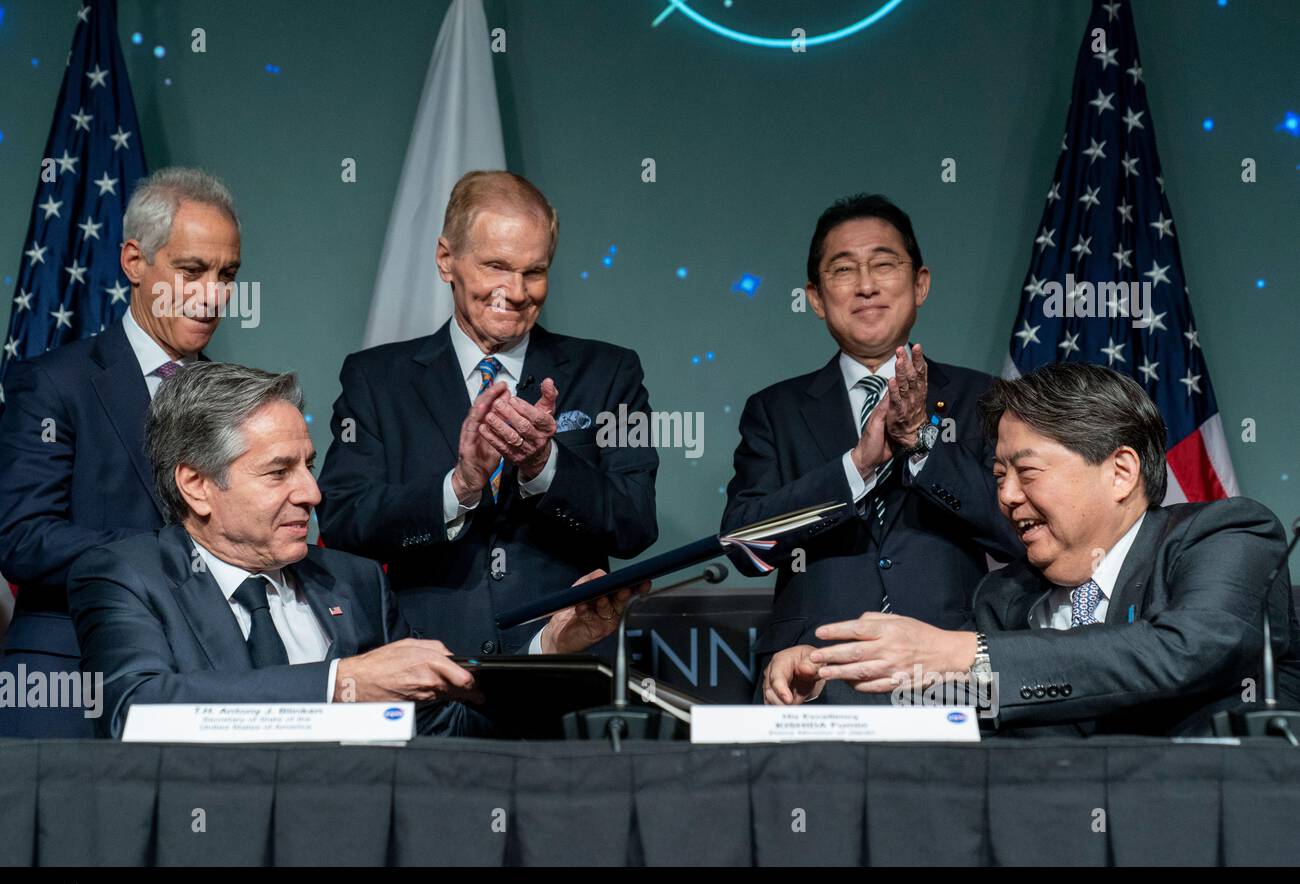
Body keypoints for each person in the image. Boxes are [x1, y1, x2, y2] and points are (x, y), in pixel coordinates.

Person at [68, 363, 637, 739]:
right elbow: (135, 710)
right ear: (196, 485)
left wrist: (550, 648)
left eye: (308, 466)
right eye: (278, 472)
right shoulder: (126, 576)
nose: (312, 493)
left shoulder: (354, 582)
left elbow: (454, 728)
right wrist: (341, 684)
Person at [785, 363, 1300, 736]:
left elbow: (1188, 651)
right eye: (999, 476)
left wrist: (967, 653)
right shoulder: (1006, 595)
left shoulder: (1226, 535)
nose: (1006, 497)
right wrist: (825, 682)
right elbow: (946, 701)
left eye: (1027, 472)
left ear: (1120, 471)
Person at [317, 171, 658, 657]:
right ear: (445, 259)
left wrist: (546, 467)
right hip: (424, 665)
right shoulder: (376, 379)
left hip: (566, 664)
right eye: (496, 266)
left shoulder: (609, 371)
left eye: (534, 271)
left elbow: (635, 522)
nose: (516, 291)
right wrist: (457, 488)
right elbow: (343, 520)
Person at [724, 193, 1022, 706]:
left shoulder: (985, 398)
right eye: (844, 270)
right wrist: (855, 467)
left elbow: (1016, 533)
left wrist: (922, 445)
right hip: (813, 675)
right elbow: (745, 545)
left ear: (920, 283)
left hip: (950, 669)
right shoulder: (774, 409)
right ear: (816, 297)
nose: (866, 285)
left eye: (884, 264)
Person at [0, 168, 241, 737]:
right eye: (191, 270)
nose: (213, 294)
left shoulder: (239, 400)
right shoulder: (54, 383)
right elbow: (22, 538)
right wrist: (177, 552)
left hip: (210, 680)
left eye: (227, 274)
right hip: (69, 676)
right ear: (135, 261)